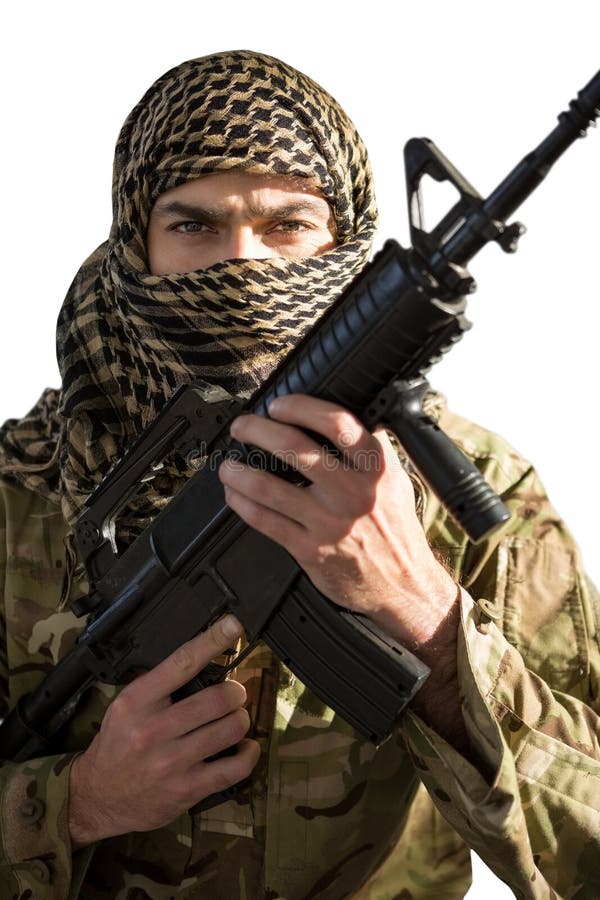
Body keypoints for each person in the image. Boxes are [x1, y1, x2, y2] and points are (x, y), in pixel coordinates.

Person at [0, 49, 598, 900]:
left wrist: (423, 613)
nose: (245, 265)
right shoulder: (19, 497)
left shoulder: (476, 496)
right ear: (137, 244)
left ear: (344, 242)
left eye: (287, 226)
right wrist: (73, 804)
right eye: (194, 225)